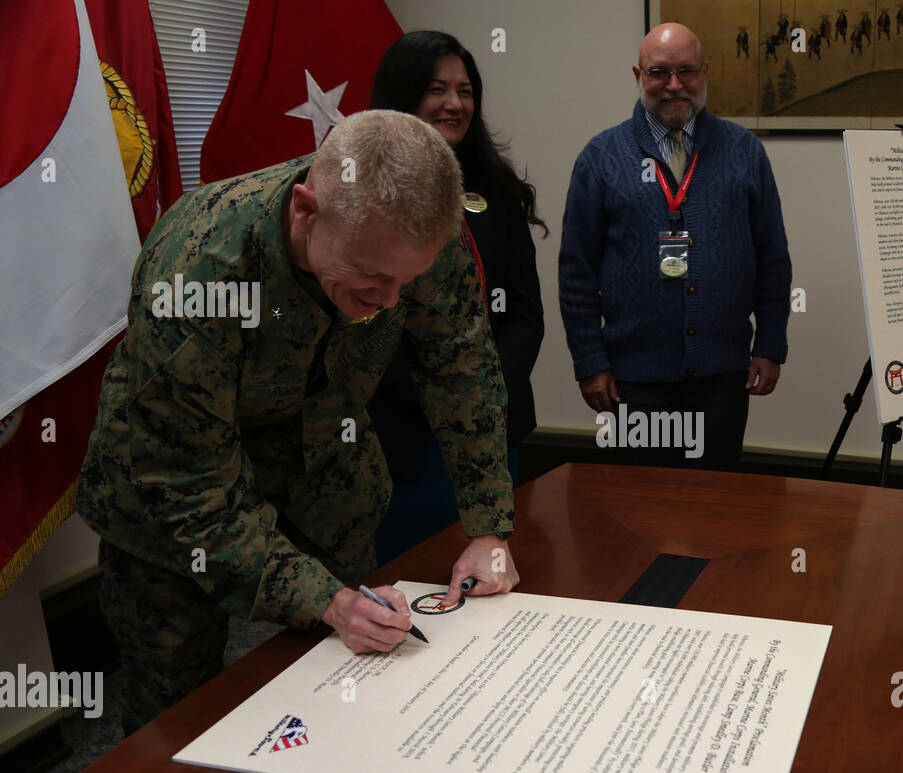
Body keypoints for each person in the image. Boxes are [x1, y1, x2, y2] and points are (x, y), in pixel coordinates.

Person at [76, 110, 519, 735]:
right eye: (370, 278)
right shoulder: (200, 268)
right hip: (168, 501)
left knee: (354, 675)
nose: (392, 302)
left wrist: (488, 526)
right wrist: (326, 600)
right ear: (307, 213)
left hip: (320, 463)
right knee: (177, 718)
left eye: (406, 281)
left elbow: (463, 371)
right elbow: (190, 488)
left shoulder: (417, 233)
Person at [558, 23, 791, 471]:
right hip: (633, 379)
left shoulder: (744, 151)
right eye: (659, 72)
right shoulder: (601, 157)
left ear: (704, 72)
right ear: (638, 75)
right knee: (640, 509)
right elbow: (576, 271)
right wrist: (589, 361)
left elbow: (772, 256)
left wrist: (771, 342)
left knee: (713, 505)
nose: (674, 85)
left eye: (686, 71)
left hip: (721, 374)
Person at [368, 31, 545, 564]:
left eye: (465, 90)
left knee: (489, 575)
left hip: (495, 425)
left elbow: (525, 311)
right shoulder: (365, 191)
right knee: (414, 576)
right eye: (437, 88)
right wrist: (434, 391)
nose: (454, 103)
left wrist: (491, 384)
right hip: (405, 437)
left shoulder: (497, 189)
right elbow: (364, 313)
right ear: (402, 96)